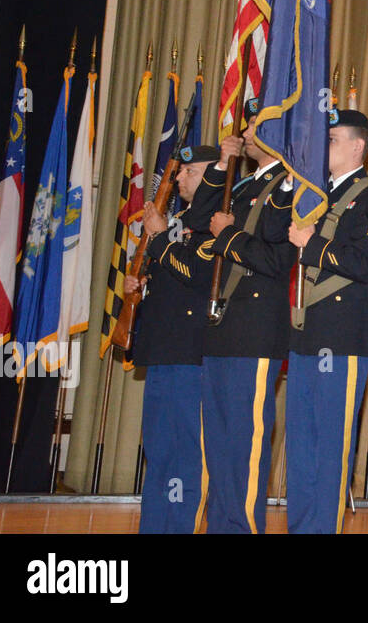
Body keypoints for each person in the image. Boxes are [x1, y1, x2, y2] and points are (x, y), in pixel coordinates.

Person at [283, 109, 368, 534]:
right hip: (304, 331)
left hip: (342, 336)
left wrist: (314, 244)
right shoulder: (313, 196)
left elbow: (365, 264)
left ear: (358, 147)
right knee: (301, 447)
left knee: (330, 447)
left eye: (331, 139)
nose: (321, 147)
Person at [196, 99, 294, 534]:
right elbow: (199, 218)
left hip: (254, 329)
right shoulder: (240, 183)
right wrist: (221, 163)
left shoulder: (287, 186)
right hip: (221, 328)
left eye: (258, 123)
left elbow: (277, 260)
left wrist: (230, 236)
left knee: (244, 443)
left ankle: (242, 528)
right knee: (217, 444)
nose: (248, 128)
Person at [129, 145, 218, 533]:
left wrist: (161, 238)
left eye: (191, 172)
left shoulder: (217, 222)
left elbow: (198, 276)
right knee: (159, 450)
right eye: (180, 172)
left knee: (186, 454)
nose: (180, 178)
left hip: (191, 351)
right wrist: (142, 285)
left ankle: (180, 526)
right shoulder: (176, 220)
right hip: (163, 348)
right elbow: (168, 276)